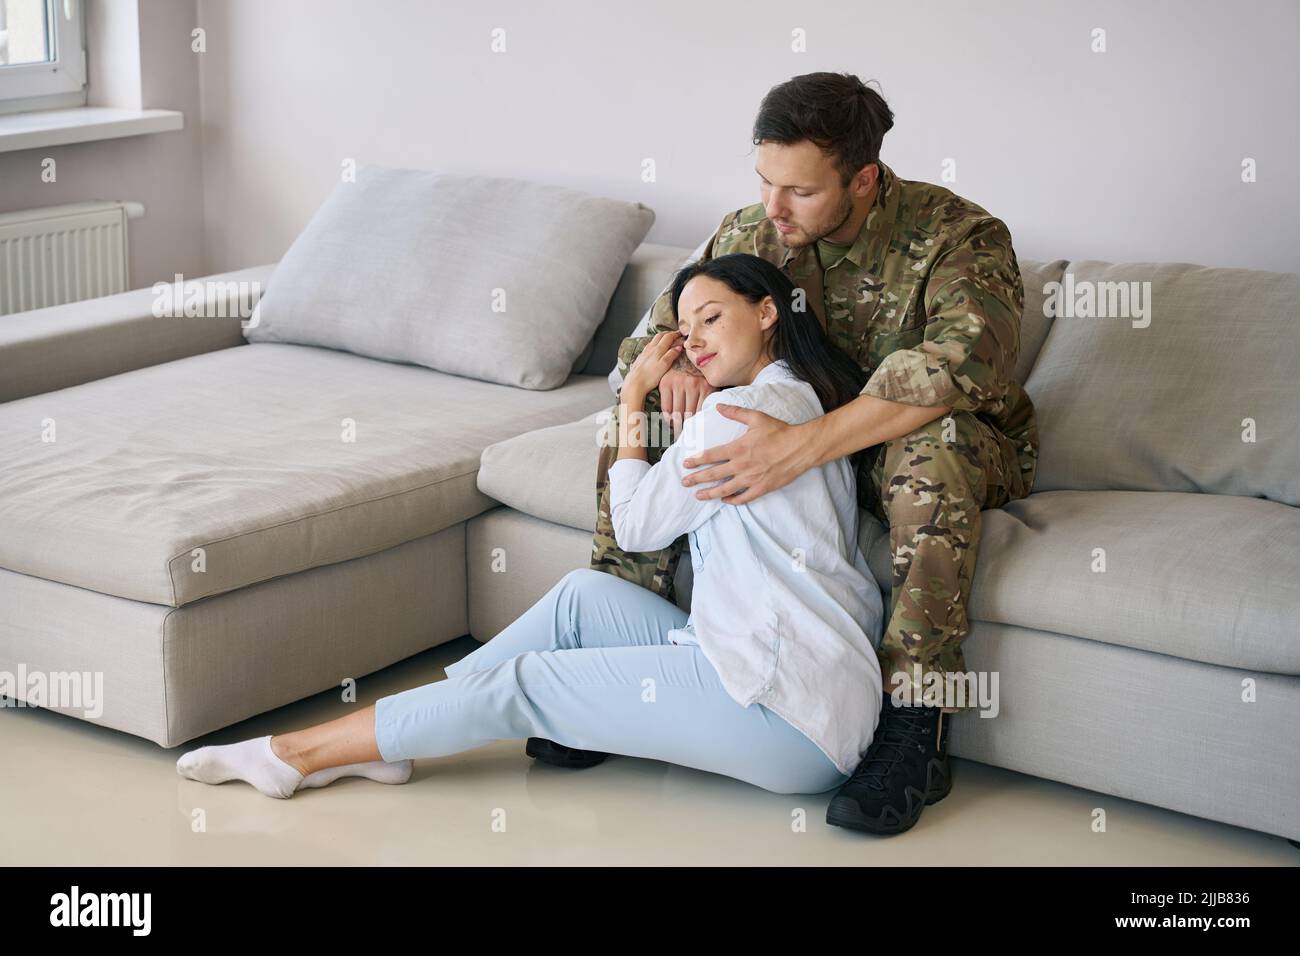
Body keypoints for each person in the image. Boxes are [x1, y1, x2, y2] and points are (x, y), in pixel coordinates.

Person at [175, 253, 887, 803]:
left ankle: (295, 755)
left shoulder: (732, 418)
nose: (694, 341)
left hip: (787, 716)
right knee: (584, 596)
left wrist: (636, 392)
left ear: (768, 312)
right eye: (684, 327)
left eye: (712, 318)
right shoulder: (802, 400)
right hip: (822, 694)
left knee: (529, 683)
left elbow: (637, 526)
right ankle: (390, 738)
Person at [579, 71, 1036, 834]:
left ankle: (917, 725)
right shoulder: (749, 236)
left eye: (799, 192)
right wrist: (685, 369)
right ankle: (630, 666)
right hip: (798, 441)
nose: (773, 208)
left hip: (929, 441)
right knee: (651, 419)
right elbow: (643, 347)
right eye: (763, 181)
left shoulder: (962, 236)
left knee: (933, 448)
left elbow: (954, 368)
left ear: (863, 178)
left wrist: (799, 448)